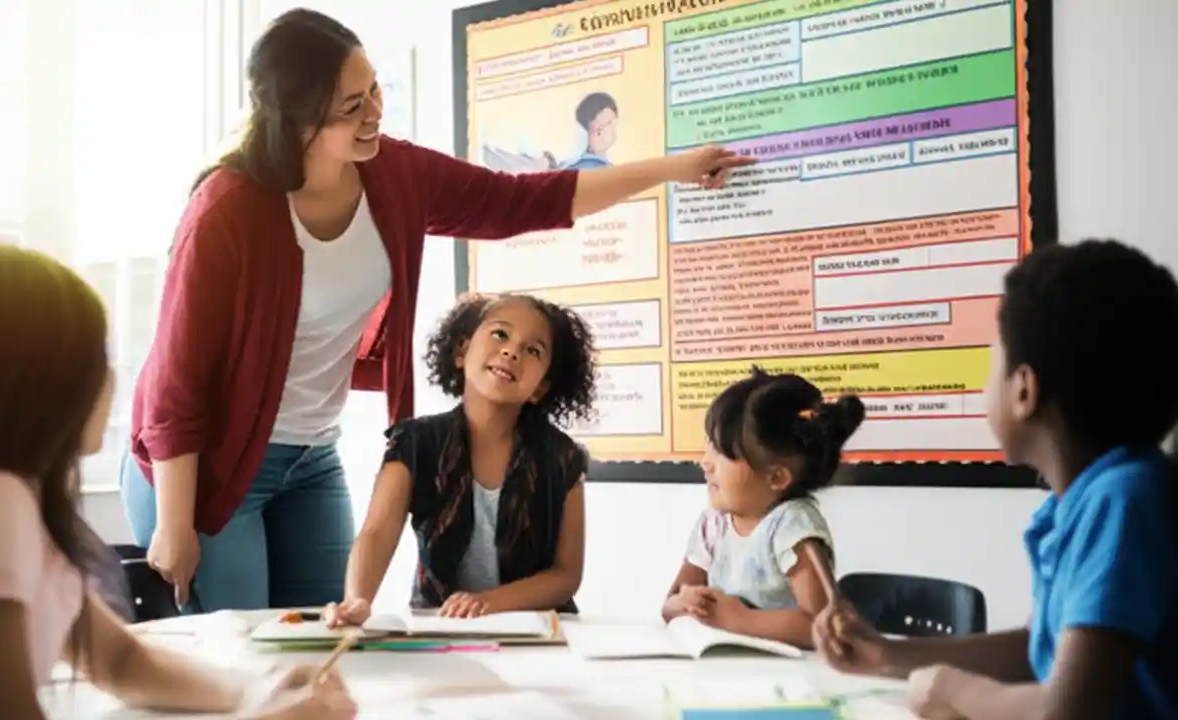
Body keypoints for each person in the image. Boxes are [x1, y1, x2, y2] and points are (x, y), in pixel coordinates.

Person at [121, 7, 753, 614]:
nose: (373, 112)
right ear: (296, 117)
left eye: (373, 90)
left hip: (312, 455)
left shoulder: (393, 173)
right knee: (244, 664)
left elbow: (518, 201)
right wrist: (176, 525)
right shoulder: (230, 207)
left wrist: (673, 169)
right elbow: (178, 384)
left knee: (320, 655)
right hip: (211, 466)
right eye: (351, 106)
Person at [0, 245, 354, 720]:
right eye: (98, 355)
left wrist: (258, 688)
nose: (111, 378)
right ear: (38, 378)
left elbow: (121, 661)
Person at [813, 240, 1178, 720]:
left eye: (993, 363)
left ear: (1024, 390)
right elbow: (1038, 650)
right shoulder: (1085, 501)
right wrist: (889, 657)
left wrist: (951, 688)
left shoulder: (1125, 499)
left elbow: (1066, 710)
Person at [324, 293, 596, 625]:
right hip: (441, 626)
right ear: (461, 351)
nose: (511, 351)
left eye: (533, 350)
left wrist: (487, 603)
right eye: (500, 334)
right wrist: (358, 600)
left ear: (541, 387)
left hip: (536, 631)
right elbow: (377, 533)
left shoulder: (563, 457)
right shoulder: (414, 441)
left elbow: (566, 576)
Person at [661, 369, 865, 648]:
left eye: (721, 453)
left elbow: (823, 623)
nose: (705, 463)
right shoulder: (714, 524)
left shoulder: (792, 525)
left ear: (777, 477)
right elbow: (669, 605)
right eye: (708, 447)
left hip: (794, 678)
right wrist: (683, 603)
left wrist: (739, 619)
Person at [561, 92, 618, 170]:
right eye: (600, 128)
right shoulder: (586, 167)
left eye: (610, 123)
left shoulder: (605, 165)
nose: (610, 130)